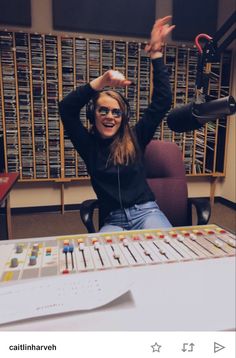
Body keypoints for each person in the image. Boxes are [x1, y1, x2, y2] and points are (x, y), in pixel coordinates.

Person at [59, 16, 175, 232]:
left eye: (116, 112)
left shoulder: (136, 136)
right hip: (113, 219)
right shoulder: (88, 144)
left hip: (147, 212)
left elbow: (162, 101)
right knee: (105, 263)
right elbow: (66, 108)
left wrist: (156, 53)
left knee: (168, 252)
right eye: (103, 110)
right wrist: (101, 82)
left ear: (123, 117)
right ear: (93, 114)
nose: (110, 116)